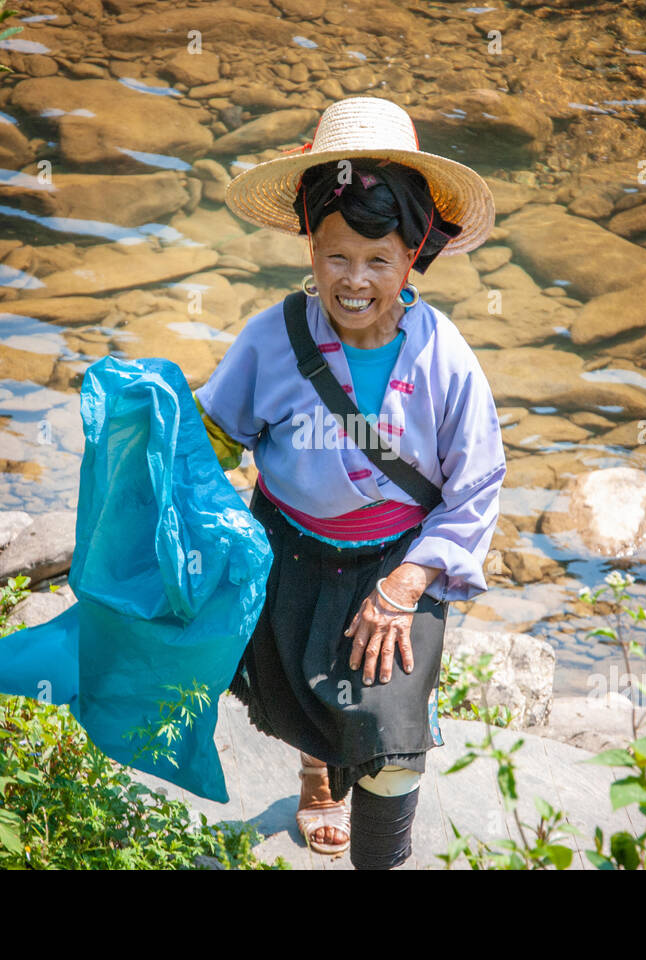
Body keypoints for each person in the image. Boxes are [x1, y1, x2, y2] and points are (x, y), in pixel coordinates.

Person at [193, 96, 506, 870]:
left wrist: (406, 584)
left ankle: (382, 859)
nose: (356, 281)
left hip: (398, 557)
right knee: (303, 698)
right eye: (337, 257)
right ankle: (315, 778)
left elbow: (476, 488)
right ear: (310, 250)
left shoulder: (444, 357)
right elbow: (217, 439)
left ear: (413, 260)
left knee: (392, 737)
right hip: (289, 551)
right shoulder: (273, 338)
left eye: (379, 261)